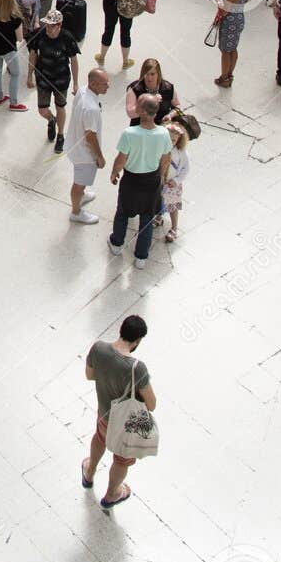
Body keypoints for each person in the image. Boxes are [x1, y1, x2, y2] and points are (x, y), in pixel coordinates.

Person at [84, 315, 155, 511]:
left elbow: (90, 375)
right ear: (138, 340)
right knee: (121, 460)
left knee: (99, 438)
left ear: (120, 330)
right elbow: (151, 403)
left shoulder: (98, 348)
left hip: (104, 414)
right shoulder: (136, 368)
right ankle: (112, 493)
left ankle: (89, 472)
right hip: (125, 426)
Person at [108, 93, 172, 268]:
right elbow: (166, 158)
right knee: (147, 219)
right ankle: (141, 257)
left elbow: (121, 159)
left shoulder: (130, 133)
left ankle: (116, 243)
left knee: (122, 213)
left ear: (142, 111)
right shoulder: (163, 133)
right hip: (152, 180)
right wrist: (161, 175)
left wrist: (114, 172)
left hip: (131, 180)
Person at [27, 8, 80, 145]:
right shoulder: (39, 35)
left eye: (52, 26)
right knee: (42, 110)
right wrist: (29, 75)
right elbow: (33, 54)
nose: (48, 28)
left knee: (60, 106)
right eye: (47, 25)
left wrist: (75, 83)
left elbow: (74, 60)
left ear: (59, 25)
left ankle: (61, 135)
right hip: (43, 78)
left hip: (61, 79)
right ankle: (51, 120)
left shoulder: (67, 38)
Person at [66, 68, 108, 223]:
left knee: (81, 181)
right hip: (84, 154)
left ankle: (82, 196)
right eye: (104, 84)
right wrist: (100, 157)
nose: (108, 86)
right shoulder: (91, 109)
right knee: (79, 183)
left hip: (73, 143)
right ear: (93, 84)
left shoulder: (83, 91)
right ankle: (76, 212)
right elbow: (90, 136)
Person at [156, 111, 194, 242]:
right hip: (159, 181)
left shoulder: (181, 153)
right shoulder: (159, 148)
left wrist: (177, 180)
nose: (171, 142)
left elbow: (186, 169)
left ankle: (174, 228)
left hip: (172, 184)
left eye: (174, 139)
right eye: (168, 139)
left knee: (172, 205)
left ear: (179, 139)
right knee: (157, 201)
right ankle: (158, 217)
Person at [124, 58, 178, 123]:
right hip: (141, 127)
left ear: (158, 74)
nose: (149, 78)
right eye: (146, 74)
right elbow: (130, 113)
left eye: (152, 74)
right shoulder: (134, 88)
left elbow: (177, 106)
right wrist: (151, 102)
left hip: (162, 126)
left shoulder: (168, 87)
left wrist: (170, 115)